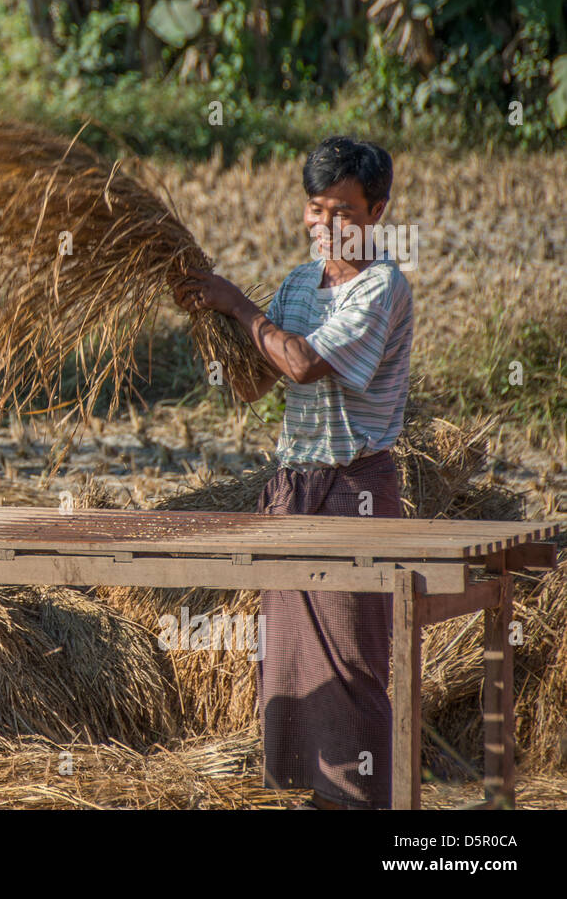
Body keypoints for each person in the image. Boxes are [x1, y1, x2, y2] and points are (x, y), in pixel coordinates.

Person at [173, 136, 413, 809]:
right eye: (315, 207)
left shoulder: (382, 287)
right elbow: (258, 381)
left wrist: (238, 307)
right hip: (292, 488)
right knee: (283, 664)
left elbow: (304, 363)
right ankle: (296, 799)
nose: (325, 223)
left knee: (348, 664)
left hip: (354, 493)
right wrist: (211, 319)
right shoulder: (300, 284)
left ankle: (360, 804)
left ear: (376, 212)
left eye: (341, 208)